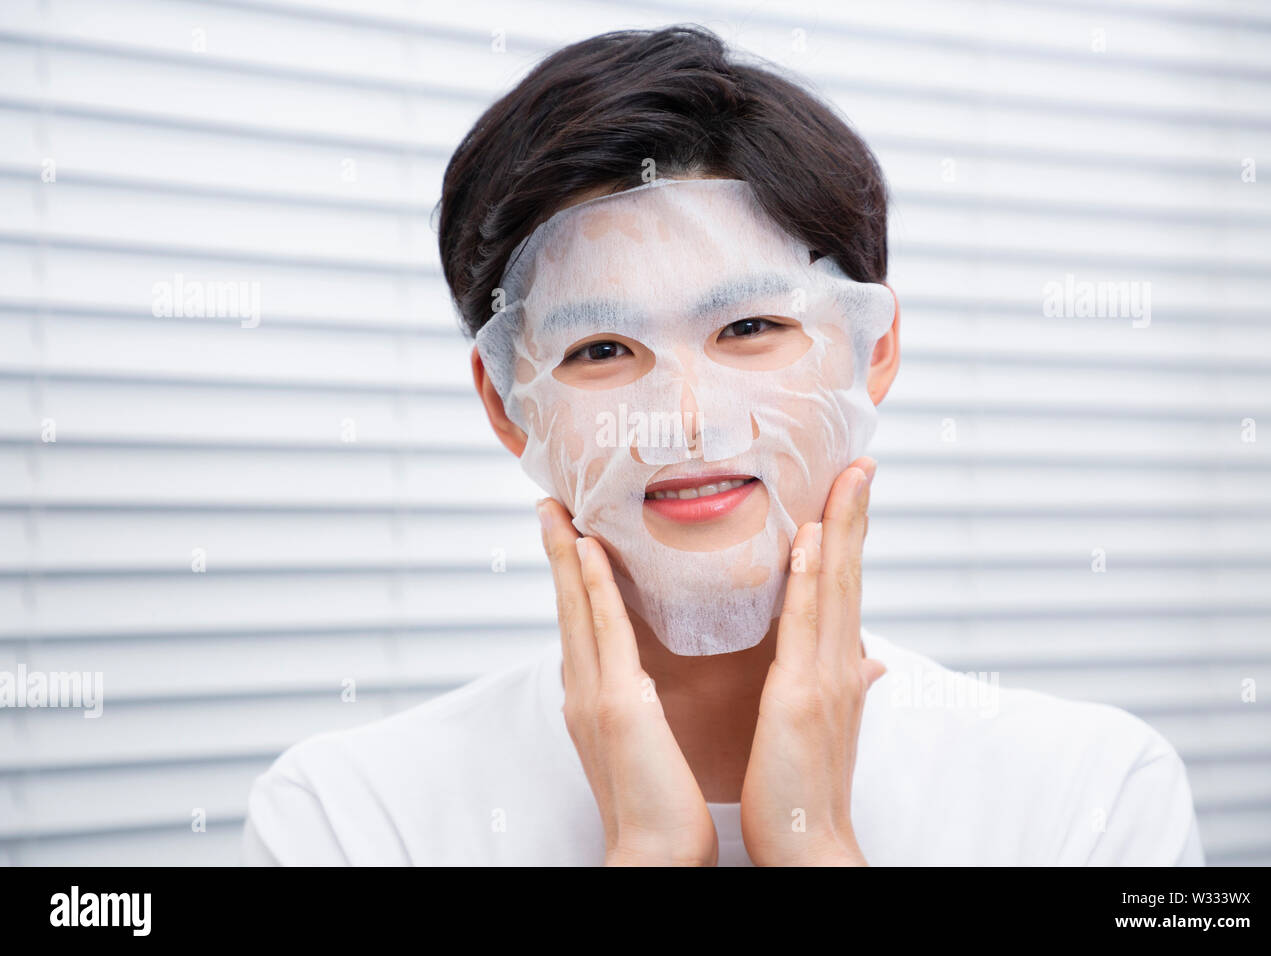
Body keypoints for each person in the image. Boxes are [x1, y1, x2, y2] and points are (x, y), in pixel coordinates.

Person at [241, 25, 1203, 867]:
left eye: (748, 329)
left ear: (873, 351)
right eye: (602, 348)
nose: (685, 417)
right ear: (507, 404)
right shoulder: (350, 819)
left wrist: (815, 845)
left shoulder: (1093, 795)